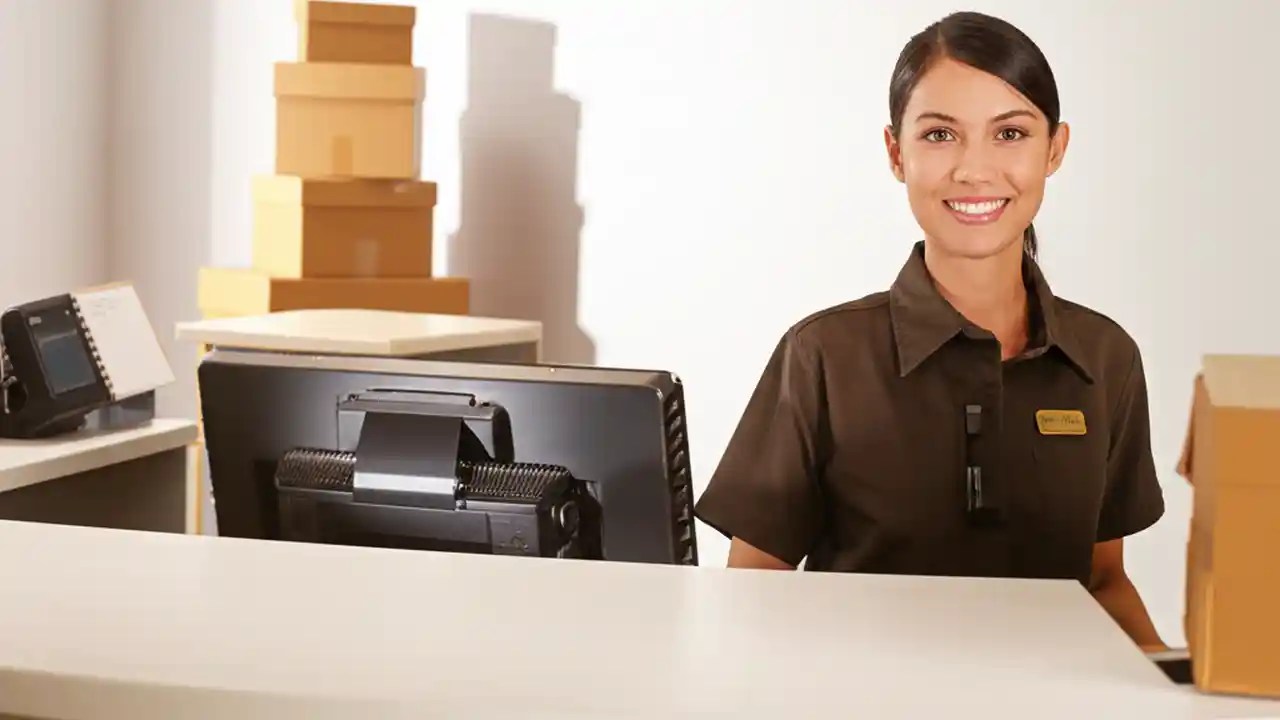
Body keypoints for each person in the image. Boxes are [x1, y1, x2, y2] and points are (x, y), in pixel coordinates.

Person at [693, 10, 1168, 651]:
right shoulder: (823, 356)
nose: (975, 170)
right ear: (896, 152)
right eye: (941, 134)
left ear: (1054, 149)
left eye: (1011, 134)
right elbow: (753, 596)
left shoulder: (1106, 358)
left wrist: (1174, 689)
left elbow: (1104, 582)